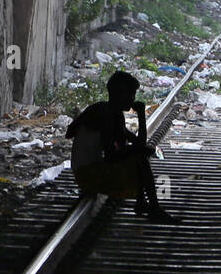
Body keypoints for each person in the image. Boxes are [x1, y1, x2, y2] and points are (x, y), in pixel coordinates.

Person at [67, 70, 175, 222]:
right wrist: (136, 150)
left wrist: (142, 118)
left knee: (138, 154)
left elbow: (139, 143)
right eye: (131, 95)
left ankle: (142, 202)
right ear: (120, 94)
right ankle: (153, 208)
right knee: (139, 158)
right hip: (87, 175)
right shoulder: (104, 115)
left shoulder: (111, 112)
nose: (133, 99)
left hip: (90, 170)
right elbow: (112, 155)